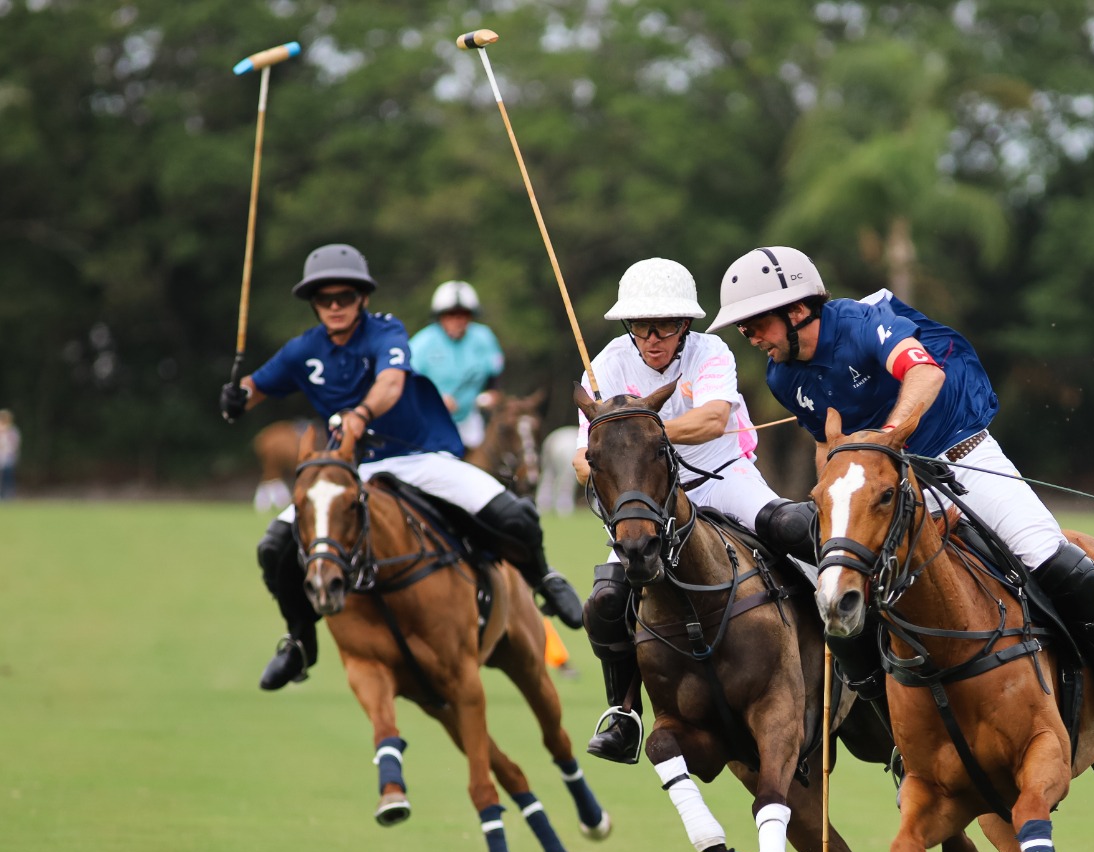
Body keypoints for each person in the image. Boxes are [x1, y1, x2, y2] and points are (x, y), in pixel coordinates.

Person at [705, 245, 1094, 733]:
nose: (750, 336)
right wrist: (831, 491)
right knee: (839, 603)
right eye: (744, 328)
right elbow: (829, 442)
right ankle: (898, 735)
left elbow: (925, 372)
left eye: (756, 323)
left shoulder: (864, 324)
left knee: (1049, 556)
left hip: (960, 456)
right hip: (889, 491)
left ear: (798, 309)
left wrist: (889, 440)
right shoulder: (783, 377)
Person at [219, 243, 585, 691]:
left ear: (362, 299)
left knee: (511, 512)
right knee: (274, 547)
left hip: (419, 456)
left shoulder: (384, 333)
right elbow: (255, 386)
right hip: (354, 471)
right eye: (324, 298)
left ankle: (542, 578)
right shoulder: (303, 351)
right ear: (314, 303)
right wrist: (237, 396)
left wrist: (361, 414)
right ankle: (299, 642)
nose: (335, 306)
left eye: (345, 297)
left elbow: (391, 383)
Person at [575, 257, 797, 764]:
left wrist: (634, 435)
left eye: (666, 326)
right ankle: (624, 715)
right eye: (641, 327)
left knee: (796, 531)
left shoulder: (710, 352)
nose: (653, 338)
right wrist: (607, 455)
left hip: (722, 479)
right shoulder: (605, 366)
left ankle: (855, 669)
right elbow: (580, 457)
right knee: (606, 601)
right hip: (648, 502)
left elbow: (715, 419)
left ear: (686, 326)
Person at [408, 280, 504, 449]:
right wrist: (435, 400)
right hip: (430, 418)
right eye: (452, 314)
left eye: (464, 314)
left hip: (470, 416)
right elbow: (407, 383)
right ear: (440, 316)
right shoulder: (421, 344)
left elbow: (494, 372)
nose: (458, 320)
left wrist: (491, 394)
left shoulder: (484, 337)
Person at [0, 410, 18, 500]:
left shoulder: (12, 431)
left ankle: (9, 495)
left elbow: (14, 445)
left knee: (8, 477)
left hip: (8, 458)